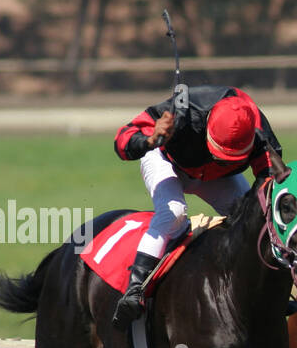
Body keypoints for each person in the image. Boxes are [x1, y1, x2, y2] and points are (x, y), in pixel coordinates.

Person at [110, 85, 283, 328]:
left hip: (213, 176)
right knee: (174, 212)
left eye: (229, 158)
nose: (222, 159)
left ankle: (270, 287)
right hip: (164, 160)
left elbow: (269, 178)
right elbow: (121, 141)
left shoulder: (257, 127)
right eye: (221, 154)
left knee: (258, 218)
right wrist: (149, 140)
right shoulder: (185, 111)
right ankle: (134, 289)